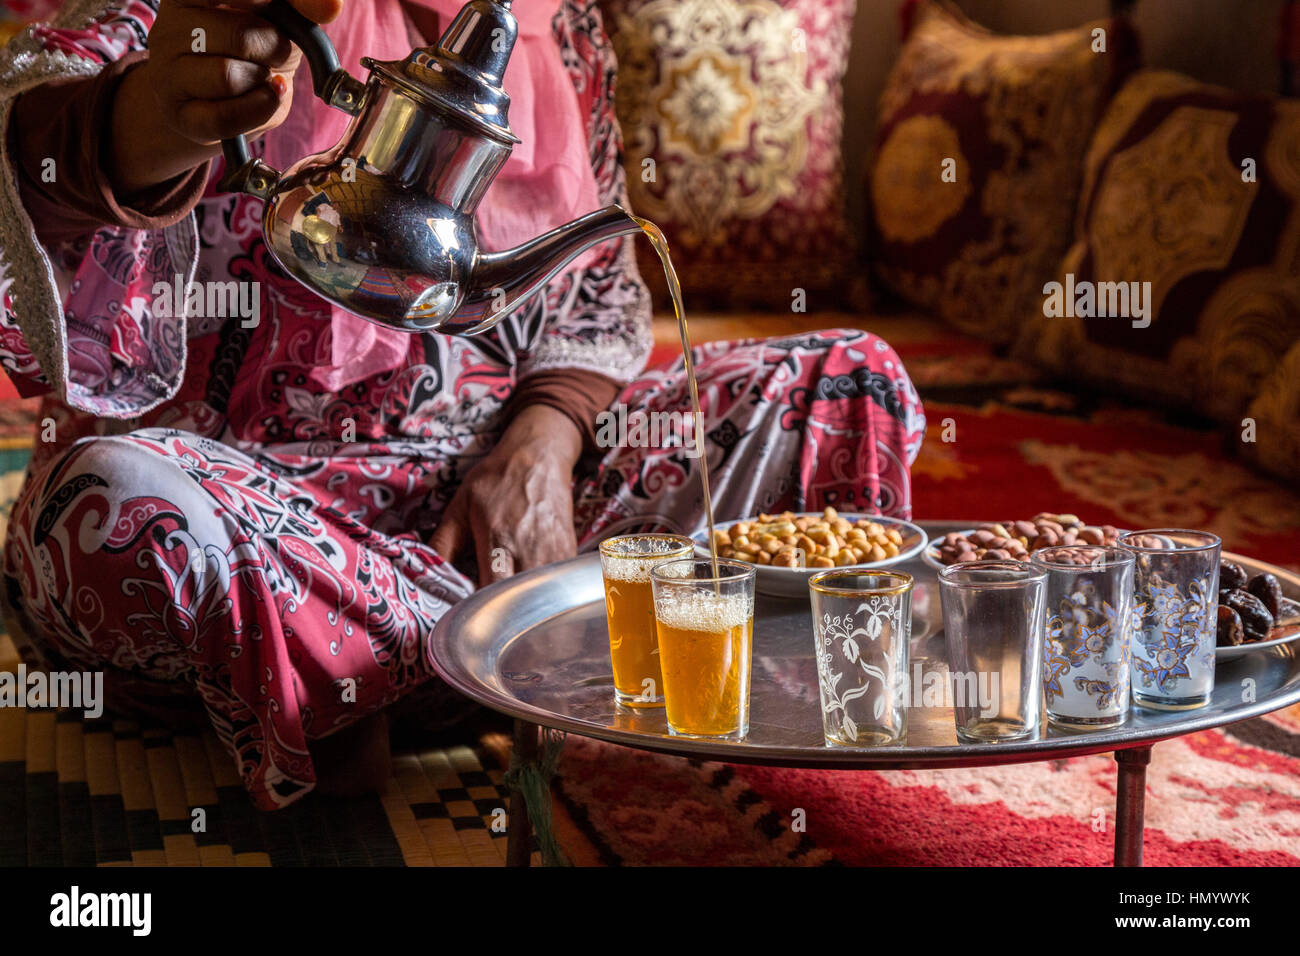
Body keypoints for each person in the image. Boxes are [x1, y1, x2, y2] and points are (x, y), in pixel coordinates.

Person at [0, 0, 926, 809]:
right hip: (245, 512)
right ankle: (532, 650)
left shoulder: (551, 26)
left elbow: (596, 282)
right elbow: (29, 168)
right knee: (111, 507)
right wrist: (151, 123)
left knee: (842, 381)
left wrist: (542, 446)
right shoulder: (206, 6)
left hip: (487, 522)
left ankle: (360, 674)